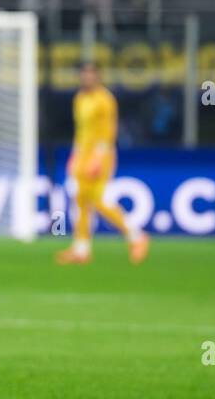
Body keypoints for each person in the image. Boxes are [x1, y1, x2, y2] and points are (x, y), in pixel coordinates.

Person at [55, 61, 150, 265]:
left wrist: (97, 158)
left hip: (101, 156)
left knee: (98, 200)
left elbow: (108, 132)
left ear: (97, 77)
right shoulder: (80, 98)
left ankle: (136, 236)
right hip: (82, 155)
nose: (87, 78)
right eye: (84, 74)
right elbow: (81, 131)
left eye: (91, 74)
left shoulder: (105, 100)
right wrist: (75, 155)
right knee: (79, 200)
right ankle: (81, 250)